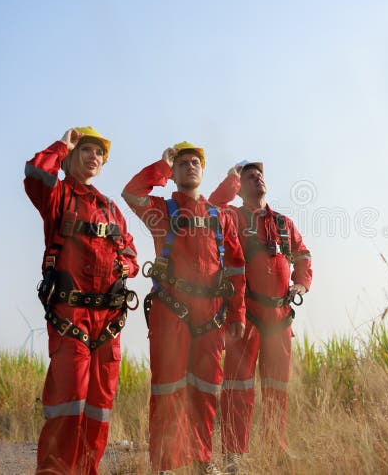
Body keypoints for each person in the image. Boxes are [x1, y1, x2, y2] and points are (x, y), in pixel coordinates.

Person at [122, 142, 246, 475]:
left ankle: (201, 462)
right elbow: (131, 193)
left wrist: (237, 313)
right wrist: (161, 165)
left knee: (206, 391)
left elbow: (235, 268)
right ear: (174, 174)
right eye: (182, 163)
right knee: (167, 389)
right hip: (170, 310)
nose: (189, 166)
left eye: (195, 162)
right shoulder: (161, 212)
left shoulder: (221, 217)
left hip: (212, 316)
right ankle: (164, 466)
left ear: (202, 171)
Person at [25, 126, 139, 474]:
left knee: (98, 407)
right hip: (70, 316)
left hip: (108, 322)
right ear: (72, 156)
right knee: (69, 401)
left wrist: (127, 265)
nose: (93, 157)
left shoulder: (111, 209)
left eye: (98, 153)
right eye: (85, 150)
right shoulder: (58, 196)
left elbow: (131, 251)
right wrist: (62, 144)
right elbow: (35, 174)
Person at [209, 161, 312, 473]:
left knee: (277, 388)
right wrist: (231, 177)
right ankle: (234, 457)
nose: (257, 179)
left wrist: (301, 284)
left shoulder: (283, 222)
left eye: (260, 175)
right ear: (239, 186)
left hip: (280, 318)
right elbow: (211, 207)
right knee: (238, 388)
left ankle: (274, 449)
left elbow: (304, 255)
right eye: (249, 176)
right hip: (245, 316)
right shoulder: (232, 217)